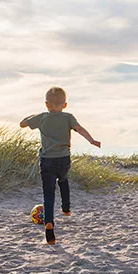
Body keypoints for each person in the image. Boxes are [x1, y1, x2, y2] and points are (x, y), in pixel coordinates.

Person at [21, 87, 100, 245]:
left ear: (46, 104)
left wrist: (32, 116)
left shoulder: (41, 118)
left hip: (47, 160)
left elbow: (22, 124)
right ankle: (66, 208)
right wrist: (92, 140)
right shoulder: (68, 117)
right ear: (64, 105)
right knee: (63, 181)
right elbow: (80, 129)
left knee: (48, 195)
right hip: (63, 158)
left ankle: (49, 225)